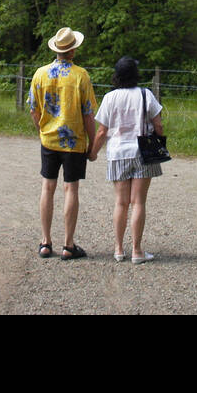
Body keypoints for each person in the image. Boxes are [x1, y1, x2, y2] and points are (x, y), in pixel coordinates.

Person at [29, 26, 98, 260]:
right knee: (71, 188)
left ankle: (45, 241)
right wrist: (92, 143)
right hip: (74, 141)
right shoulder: (81, 76)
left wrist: (43, 130)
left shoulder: (40, 74)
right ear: (73, 50)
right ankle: (69, 245)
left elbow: (33, 110)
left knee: (47, 187)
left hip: (49, 139)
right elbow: (88, 114)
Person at [89, 56, 163, 264]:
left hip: (118, 152)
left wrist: (93, 153)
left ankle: (119, 249)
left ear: (117, 75)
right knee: (138, 201)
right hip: (143, 152)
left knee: (121, 202)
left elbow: (102, 131)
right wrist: (159, 145)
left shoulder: (110, 98)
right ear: (135, 75)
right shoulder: (145, 94)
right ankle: (137, 251)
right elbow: (158, 125)